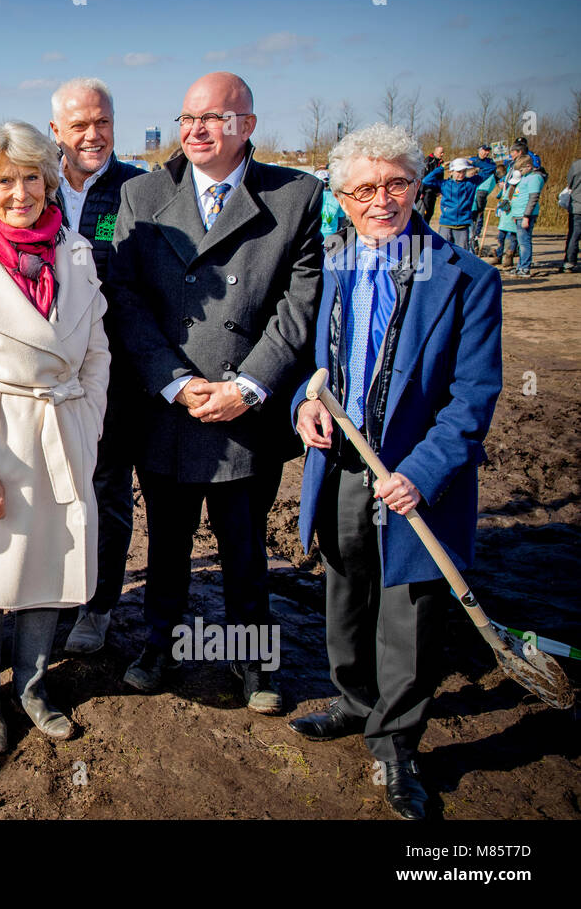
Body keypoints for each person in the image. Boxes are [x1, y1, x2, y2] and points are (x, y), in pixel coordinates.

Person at [289, 122, 502, 820]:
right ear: (343, 200)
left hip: (415, 478)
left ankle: (397, 743)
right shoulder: (335, 264)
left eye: (397, 183)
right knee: (345, 587)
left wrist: (424, 470)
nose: (382, 200)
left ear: (417, 185)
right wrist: (304, 406)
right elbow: (310, 367)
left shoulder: (467, 279)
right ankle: (353, 703)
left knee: (410, 609)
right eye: (364, 190)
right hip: (343, 464)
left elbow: (473, 396)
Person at [105, 71, 323, 714]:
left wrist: (250, 387)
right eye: (187, 118)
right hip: (170, 405)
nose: (196, 129)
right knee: (167, 544)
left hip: (245, 412)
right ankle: (160, 648)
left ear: (247, 126)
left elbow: (299, 301)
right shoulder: (142, 194)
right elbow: (125, 297)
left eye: (215, 118)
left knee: (245, 546)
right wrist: (173, 381)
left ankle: (253, 662)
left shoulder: (295, 196)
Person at [0, 120, 110, 751]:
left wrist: (86, 423)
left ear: (47, 181)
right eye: (5, 180)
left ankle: (32, 688)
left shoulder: (77, 253)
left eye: (31, 176)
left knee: (47, 573)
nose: (20, 192)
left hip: (62, 433)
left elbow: (97, 353)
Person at [45, 77, 145, 656]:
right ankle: (54, 593)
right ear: (56, 130)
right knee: (54, 485)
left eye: (101, 122)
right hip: (48, 373)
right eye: (79, 124)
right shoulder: (34, 187)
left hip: (117, 374)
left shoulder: (142, 190)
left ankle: (99, 604)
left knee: (106, 489)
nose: (92, 134)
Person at [420, 156, 480, 249]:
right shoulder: (444, 184)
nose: (461, 174)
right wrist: (441, 168)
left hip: (462, 225)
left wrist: (474, 163)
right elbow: (426, 180)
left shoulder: (471, 184)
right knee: (442, 251)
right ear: (451, 172)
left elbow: (490, 169)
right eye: (458, 172)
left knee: (462, 252)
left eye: (464, 171)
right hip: (446, 224)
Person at [506, 140, 544, 275]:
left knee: (524, 242)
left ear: (528, 166)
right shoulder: (524, 177)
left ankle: (525, 267)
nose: (519, 173)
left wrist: (526, 217)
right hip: (518, 214)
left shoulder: (534, 178)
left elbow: (533, 198)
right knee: (521, 242)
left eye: (521, 170)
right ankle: (520, 266)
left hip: (525, 215)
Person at [564, 155, 581, 271]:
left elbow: (569, 183)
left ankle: (570, 261)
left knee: (574, 234)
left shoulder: (576, 165)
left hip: (577, 204)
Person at [419, 145, 443, 221]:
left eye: (443, 153)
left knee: (430, 212)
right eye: (441, 153)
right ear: (435, 152)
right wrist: (421, 192)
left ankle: (426, 227)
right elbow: (423, 177)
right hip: (427, 191)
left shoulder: (440, 162)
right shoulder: (428, 161)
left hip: (433, 191)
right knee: (425, 212)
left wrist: (439, 190)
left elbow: (440, 178)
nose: (442, 155)